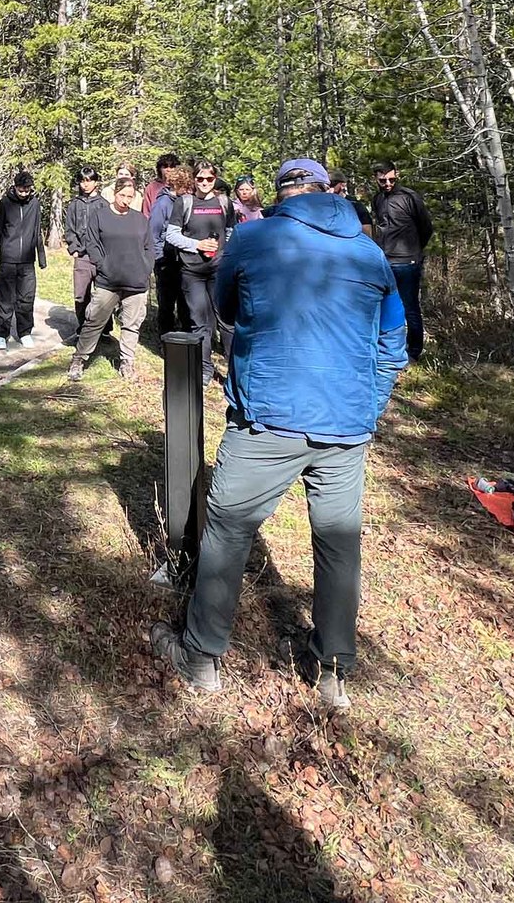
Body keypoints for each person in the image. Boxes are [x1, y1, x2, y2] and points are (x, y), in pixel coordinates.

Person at [150, 158, 407, 712]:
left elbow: (225, 309)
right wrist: (369, 402)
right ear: (328, 193)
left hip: (270, 414)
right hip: (346, 425)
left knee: (228, 529)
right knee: (339, 545)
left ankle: (201, 655)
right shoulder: (370, 253)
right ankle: (333, 669)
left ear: (283, 195)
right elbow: (394, 343)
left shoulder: (253, 236)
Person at [67, 177, 156, 381]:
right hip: (109, 280)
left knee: (131, 324)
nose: (125, 200)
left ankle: (127, 362)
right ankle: (79, 358)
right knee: (94, 320)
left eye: (130, 197)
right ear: (114, 194)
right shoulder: (100, 216)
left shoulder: (140, 219)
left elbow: (149, 247)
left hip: (136, 282)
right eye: (122, 195)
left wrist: (145, 268)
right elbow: (92, 244)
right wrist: (103, 266)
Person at [162, 159, 231, 359]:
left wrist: (223, 250)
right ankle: (204, 368)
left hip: (219, 270)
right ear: (194, 179)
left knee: (226, 320)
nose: (204, 182)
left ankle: (234, 370)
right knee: (199, 322)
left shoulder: (224, 202)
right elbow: (171, 235)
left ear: (215, 179)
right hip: (192, 271)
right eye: (200, 178)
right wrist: (196, 245)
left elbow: (231, 230)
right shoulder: (184, 202)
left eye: (209, 179)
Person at [370, 161, 434, 361]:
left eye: (391, 179)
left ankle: (414, 352)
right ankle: (387, 350)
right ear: (376, 179)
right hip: (384, 261)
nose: (387, 183)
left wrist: (413, 251)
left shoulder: (409, 197)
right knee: (383, 305)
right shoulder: (378, 199)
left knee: (410, 307)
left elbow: (426, 228)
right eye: (382, 180)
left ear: (396, 175)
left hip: (408, 262)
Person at [0, 169, 46, 348]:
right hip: (8, 259)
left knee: (26, 298)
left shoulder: (34, 203)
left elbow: (37, 231)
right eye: (21, 189)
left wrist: (41, 258)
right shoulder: (5, 202)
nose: (23, 193)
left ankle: (25, 332)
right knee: (5, 298)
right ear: (15, 187)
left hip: (28, 261)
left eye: (27, 190)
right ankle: (0, 334)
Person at [146, 155, 186, 336]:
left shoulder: (186, 201)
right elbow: (153, 233)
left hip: (185, 259)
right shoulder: (162, 203)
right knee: (166, 304)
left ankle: (188, 340)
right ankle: (165, 339)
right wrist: (158, 259)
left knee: (185, 302)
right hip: (165, 260)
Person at [63, 164, 107, 328]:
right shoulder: (75, 204)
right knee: (81, 294)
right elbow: (69, 228)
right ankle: (83, 326)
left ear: (96, 182)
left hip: (101, 255)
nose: (86, 184)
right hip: (81, 256)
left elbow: (108, 230)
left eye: (89, 181)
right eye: (82, 181)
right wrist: (74, 248)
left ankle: (104, 328)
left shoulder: (103, 204)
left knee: (103, 294)